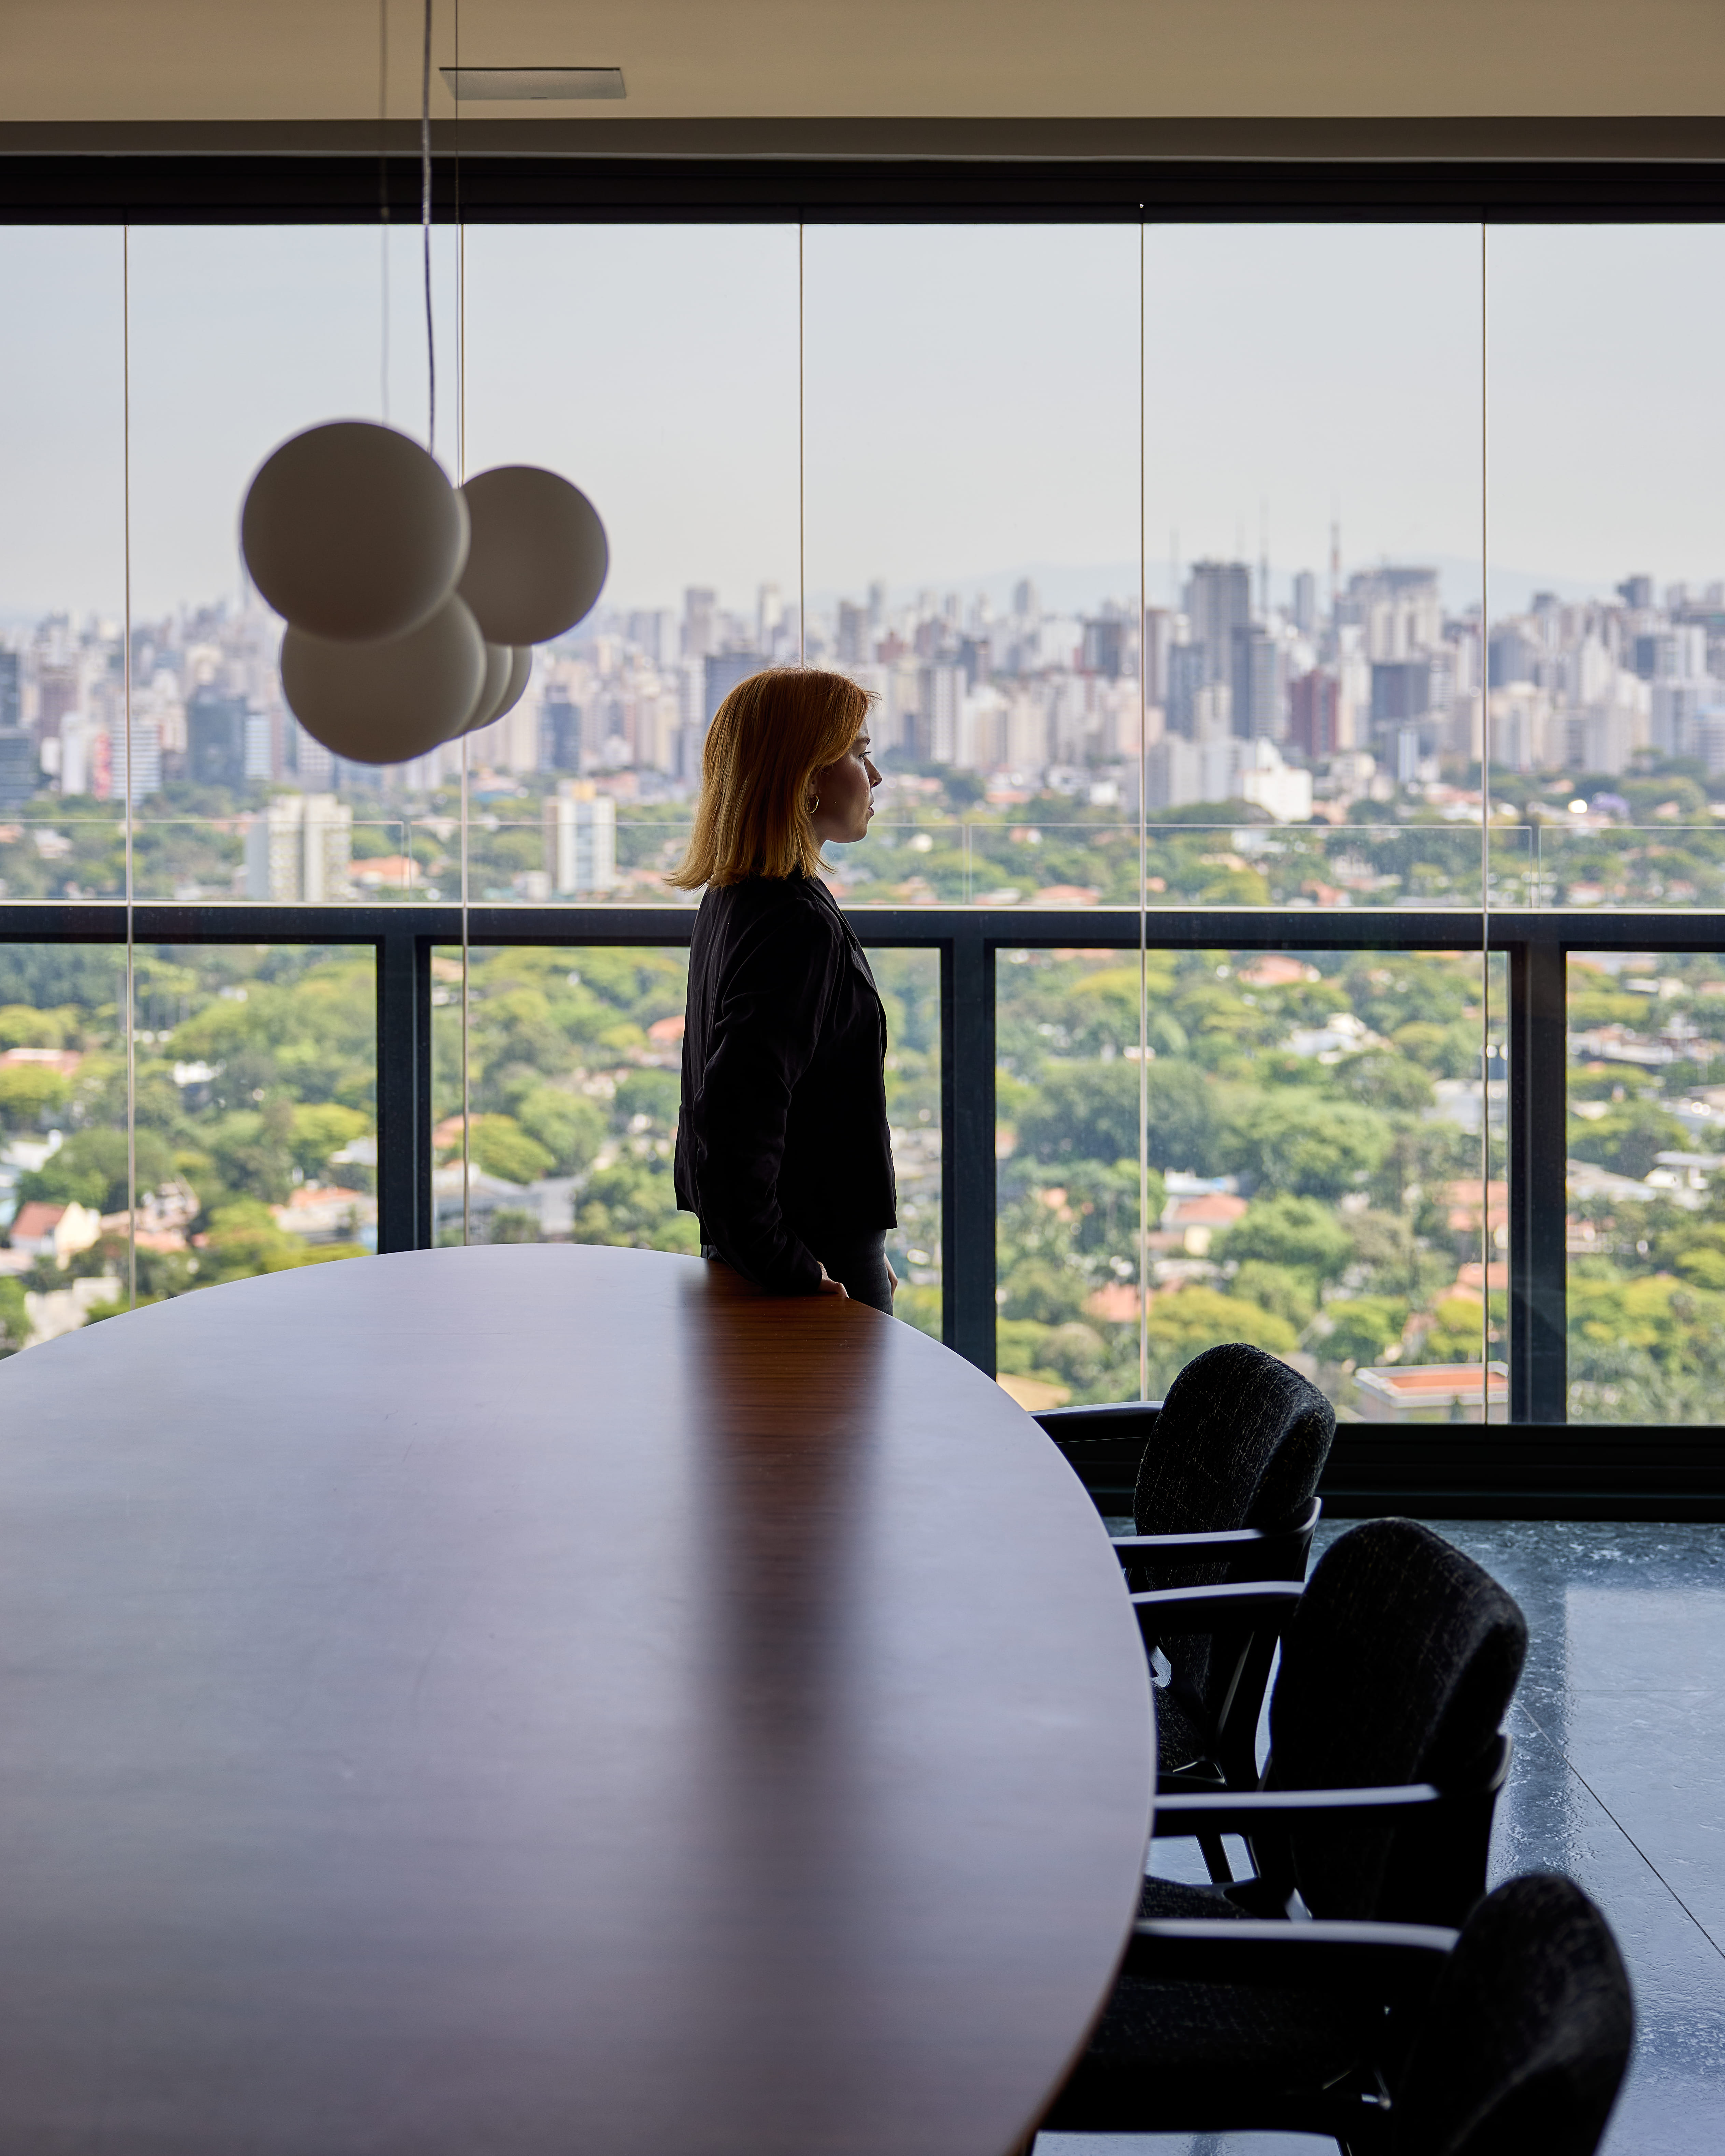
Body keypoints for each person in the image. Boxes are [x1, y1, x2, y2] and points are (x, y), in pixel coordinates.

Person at [670, 668, 898, 1314]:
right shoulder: (795, 920)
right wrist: (797, 1267)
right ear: (807, 776)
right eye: (858, 753)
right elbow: (735, 1124)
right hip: (801, 1265)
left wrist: (856, 1243)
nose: (875, 776)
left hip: (779, 1253)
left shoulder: (736, 897)